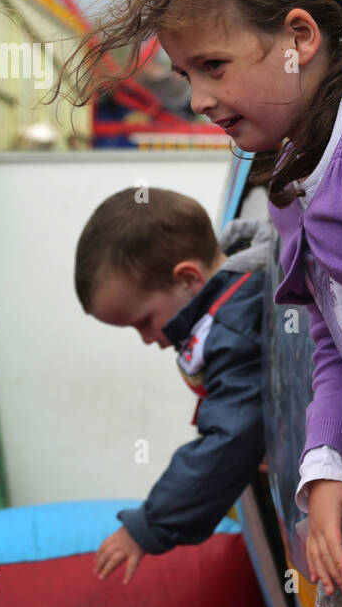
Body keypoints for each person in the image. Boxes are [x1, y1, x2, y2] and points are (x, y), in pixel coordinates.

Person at [53, 0, 342, 607]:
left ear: (299, 38)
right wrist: (323, 468)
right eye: (185, 74)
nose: (197, 98)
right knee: (339, 597)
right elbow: (341, 348)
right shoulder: (291, 188)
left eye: (214, 66)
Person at [74, 186, 273, 584]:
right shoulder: (229, 304)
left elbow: (230, 438)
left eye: (144, 321)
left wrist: (149, 525)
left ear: (188, 278)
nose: (148, 339)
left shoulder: (232, 325)